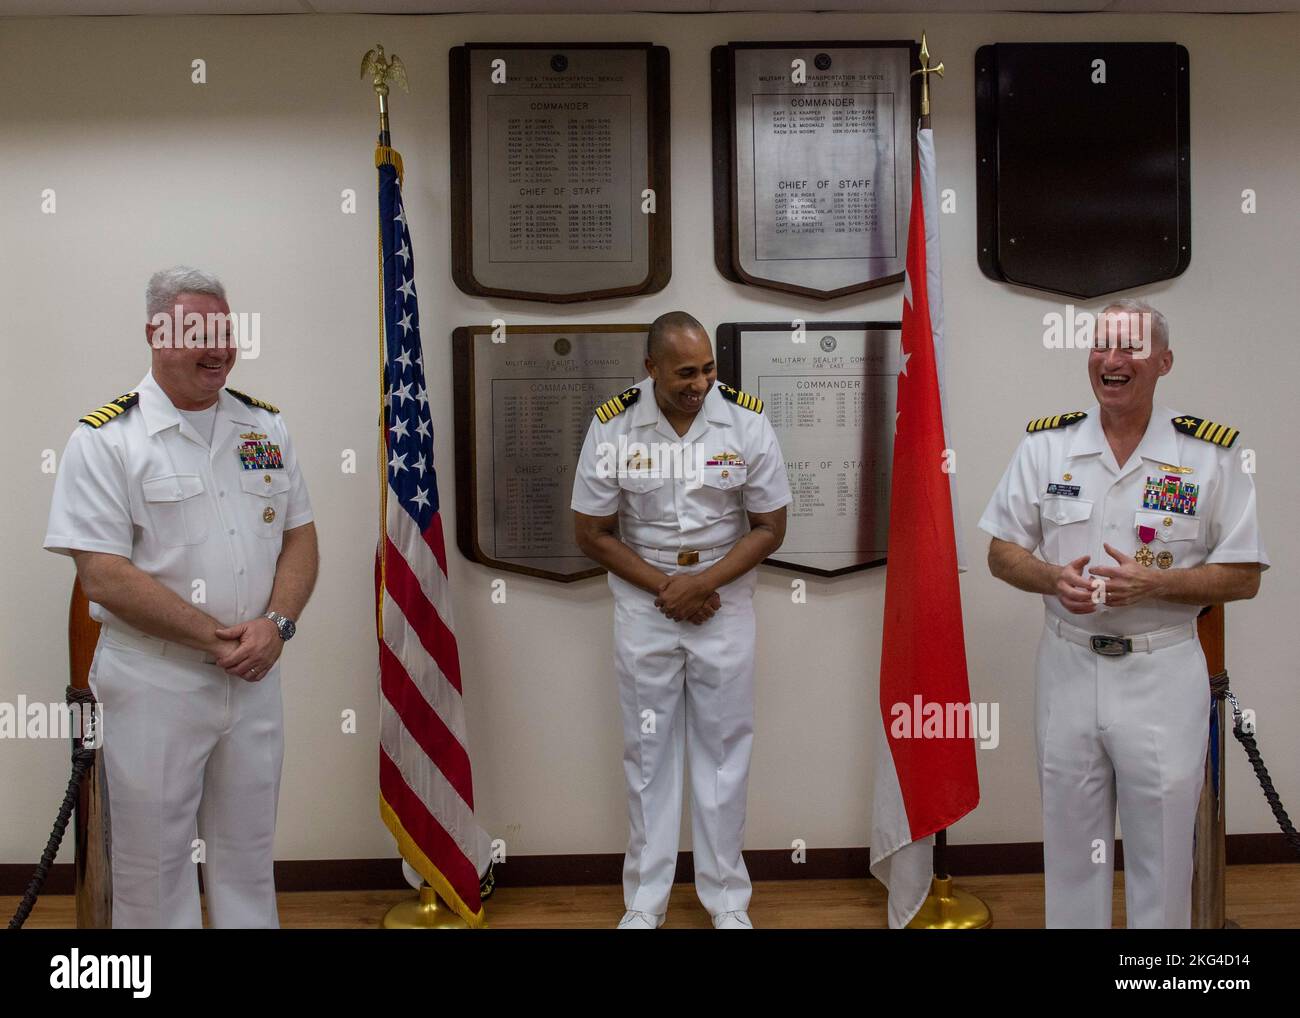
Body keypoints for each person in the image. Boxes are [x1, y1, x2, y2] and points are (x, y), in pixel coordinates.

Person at [43, 266, 319, 928]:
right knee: (154, 868)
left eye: (226, 330)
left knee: (248, 856)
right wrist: (216, 638)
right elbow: (103, 575)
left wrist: (275, 626)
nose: (218, 347)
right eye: (198, 331)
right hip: (153, 679)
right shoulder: (107, 439)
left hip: (253, 677)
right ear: (154, 334)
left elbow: (301, 542)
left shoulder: (265, 428)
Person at [979, 299, 1266, 928]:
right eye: (1102, 345)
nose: (1113, 359)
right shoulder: (1045, 446)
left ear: (1163, 361)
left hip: (1161, 673)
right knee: (1069, 849)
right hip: (1068, 667)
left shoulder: (1209, 454)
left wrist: (1160, 584)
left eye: (1131, 347)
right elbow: (1001, 553)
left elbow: (1244, 577)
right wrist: (1051, 577)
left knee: (1163, 853)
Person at [571, 311, 791, 929]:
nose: (701, 383)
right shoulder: (614, 425)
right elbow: (590, 533)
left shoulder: (744, 419)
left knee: (724, 752)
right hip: (648, 604)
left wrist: (702, 584)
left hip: (722, 601)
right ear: (651, 370)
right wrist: (671, 588)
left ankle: (727, 901)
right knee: (647, 753)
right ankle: (645, 901)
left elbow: (771, 527)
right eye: (685, 373)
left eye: (708, 369)